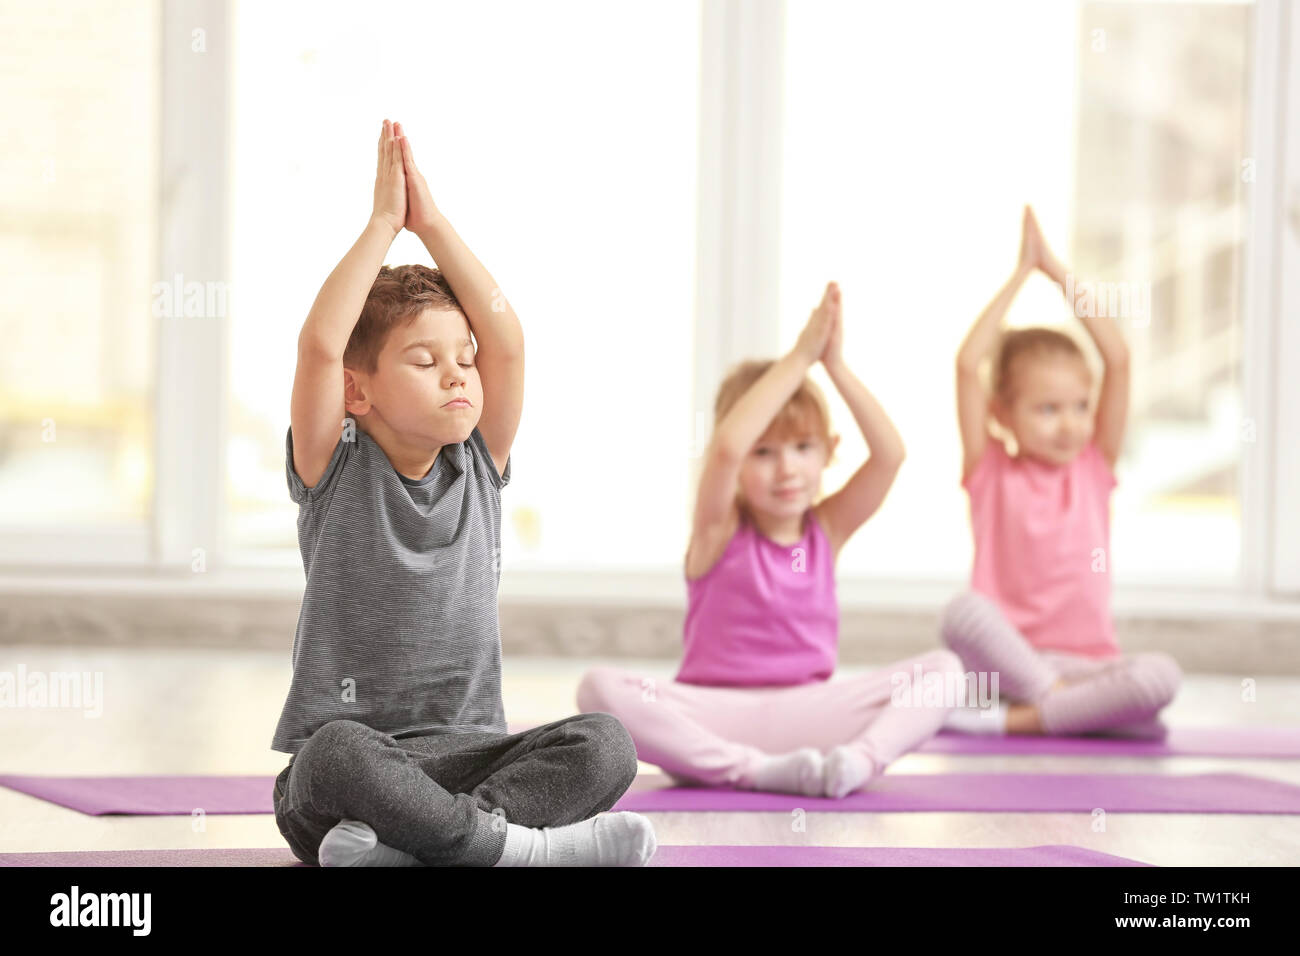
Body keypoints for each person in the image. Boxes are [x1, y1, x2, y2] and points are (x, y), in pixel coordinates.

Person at [270, 119, 655, 866]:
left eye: (462, 360)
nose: (458, 374)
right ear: (358, 391)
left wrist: (435, 224)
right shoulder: (335, 468)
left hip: (476, 760)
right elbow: (320, 343)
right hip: (354, 774)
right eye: (424, 359)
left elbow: (507, 340)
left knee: (606, 744)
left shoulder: (479, 463)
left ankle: (432, 845)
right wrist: (386, 224)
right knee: (336, 753)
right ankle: (518, 851)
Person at [578, 282, 965, 798]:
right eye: (764, 453)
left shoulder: (827, 529)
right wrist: (801, 356)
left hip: (812, 715)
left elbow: (890, 454)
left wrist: (835, 365)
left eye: (802, 448)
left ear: (828, 451)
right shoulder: (718, 530)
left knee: (946, 671)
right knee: (597, 689)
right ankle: (751, 771)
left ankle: (858, 763)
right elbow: (725, 448)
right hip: (714, 718)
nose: (787, 470)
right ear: (740, 465)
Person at [940, 205, 1181, 739]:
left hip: (1083, 663)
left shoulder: (1095, 467)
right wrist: (1020, 276)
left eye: (1079, 406)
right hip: (1007, 663)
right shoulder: (990, 471)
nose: (1069, 425)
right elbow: (966, 364)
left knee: (1160, 677)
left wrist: (1057, 272)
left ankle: (1021, 720)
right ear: (1001, 414)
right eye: (1047, 410)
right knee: (962, 613)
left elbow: (1117, 357)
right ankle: (1066, 710)